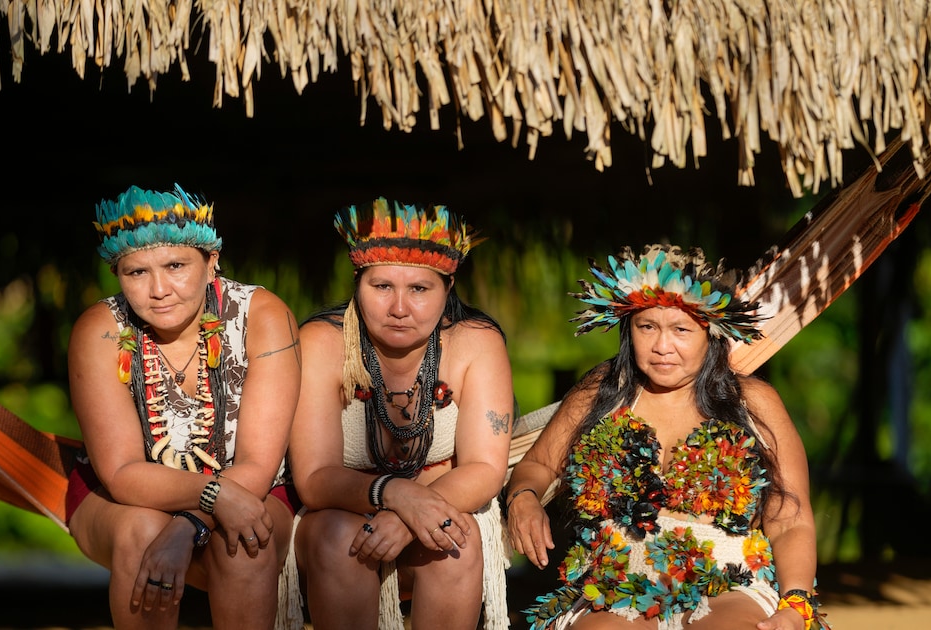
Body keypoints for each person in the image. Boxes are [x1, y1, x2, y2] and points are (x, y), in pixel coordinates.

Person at [504, 244, 831, 630]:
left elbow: (789, 517)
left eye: (680, 330)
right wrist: (523, 496)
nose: (662, 347)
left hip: (729, 583)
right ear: (629, 330)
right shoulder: (601, 392)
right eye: (647, 327)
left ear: (710, 333)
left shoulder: (753, 403)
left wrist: (795, 605)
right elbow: (539, 464)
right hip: (614, 584)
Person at [64, 184, 304, 630]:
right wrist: (211, 496)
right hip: (121, 498)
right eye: (136, 273)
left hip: (255, 486)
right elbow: (120, 474)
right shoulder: (100, 331)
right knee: (140, 533)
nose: (158, 290)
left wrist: (187, 525)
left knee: (244, 543)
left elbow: (257, 465)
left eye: (176, 266)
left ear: (211, 262)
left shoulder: (263, 317)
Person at [288, 198, 517, 630]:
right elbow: (316, 479)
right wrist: (396, 495)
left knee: (456, 543)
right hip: (337, 523)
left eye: (419, 289)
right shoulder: (321, 343)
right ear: (357, 284)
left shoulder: (476, 343)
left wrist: (409, 517)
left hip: (438, 512)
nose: (398, 308)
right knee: (341, 539)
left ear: (447, 289)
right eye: (382, 287)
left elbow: (486, 467)